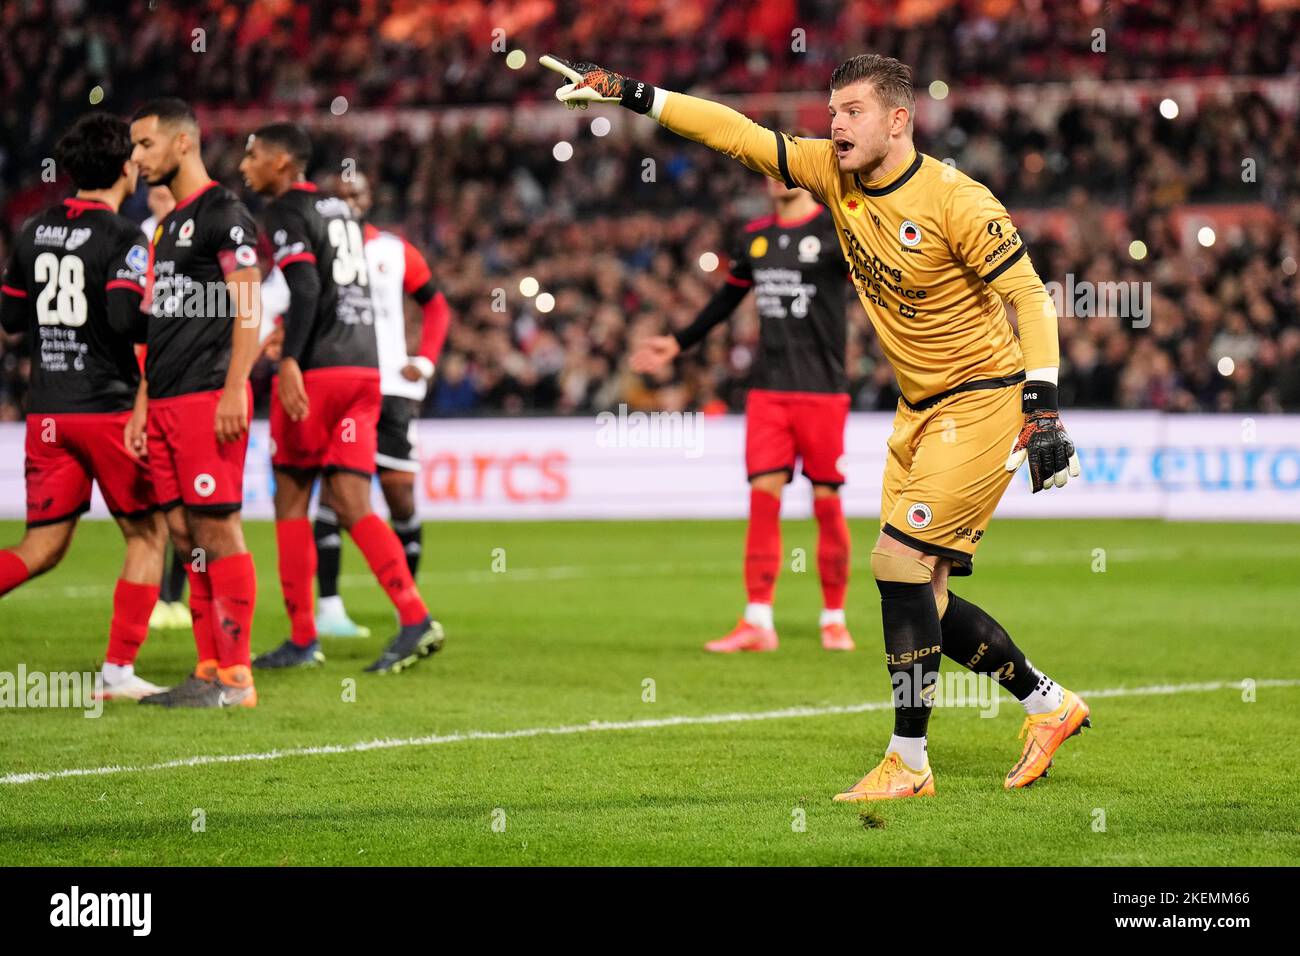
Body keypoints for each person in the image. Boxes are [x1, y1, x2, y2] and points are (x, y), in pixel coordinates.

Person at [542, 53, 1088, 799]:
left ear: (900, 119)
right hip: (918, 409)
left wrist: (1043, 405)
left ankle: (909, 763)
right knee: (920, 595)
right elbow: (735, 133)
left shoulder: (957, 199)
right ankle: (1048, 704)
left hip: (981, 398)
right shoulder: (832, 176)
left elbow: (1028, 295)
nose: (835, 125)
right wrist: (634, 94)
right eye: (832, 111)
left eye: (853, 111)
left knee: (895, 564)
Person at [239, 124, 444, 674]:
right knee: (352, 503)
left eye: (254, 155)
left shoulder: (284, 211)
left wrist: (288, 362)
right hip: (364, 371)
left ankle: (303, 637)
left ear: (283, 162)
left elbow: (304, 288)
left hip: (319, 373)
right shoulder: (344, 213)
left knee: (290, 496)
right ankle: (414, 616)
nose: (244, 165)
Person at [632, 177, 855, 652]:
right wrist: (678, 342)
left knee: (826, 502)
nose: (774, 178)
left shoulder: (838, 234)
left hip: (822, 390)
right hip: (768, 392)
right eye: (767, 171)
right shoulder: (756, 238)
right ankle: (758, 619)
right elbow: (726, 301)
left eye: (783, 168)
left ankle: (833, 617)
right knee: (762, 498)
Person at [0, 113, 170, 700]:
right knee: (148, 536)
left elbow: (11, 319)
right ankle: (118, 672)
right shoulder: (125, 237)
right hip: (109, 409)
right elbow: (127, 318)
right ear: (127, 167)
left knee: (42, 547)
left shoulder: (32, 229)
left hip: (47, 411)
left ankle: (120, 672)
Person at [128, 98, 262, 708]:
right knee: (184, 535)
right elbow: (158, 326)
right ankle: (207, 668)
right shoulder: (163, 225)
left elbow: (249, 304)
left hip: (210, 395)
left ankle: (237, 676)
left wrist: (236, 386)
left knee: (217, 527)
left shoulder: (223, 213)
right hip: (165, 402)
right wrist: (141, 404)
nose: (135, 157)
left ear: (182, 143)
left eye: (144, 145)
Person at [310, 171, 451, 639]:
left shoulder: (393, 250)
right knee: (335, 494)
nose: (350, 201)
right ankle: (328, 608)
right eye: (341, 195)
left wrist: (426, 362)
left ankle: (406, 606)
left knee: (399, 494)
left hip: (391, 387)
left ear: (369, 199)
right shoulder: (314, 245)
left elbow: (436, 306)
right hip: (340, 383)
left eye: (357, 194)